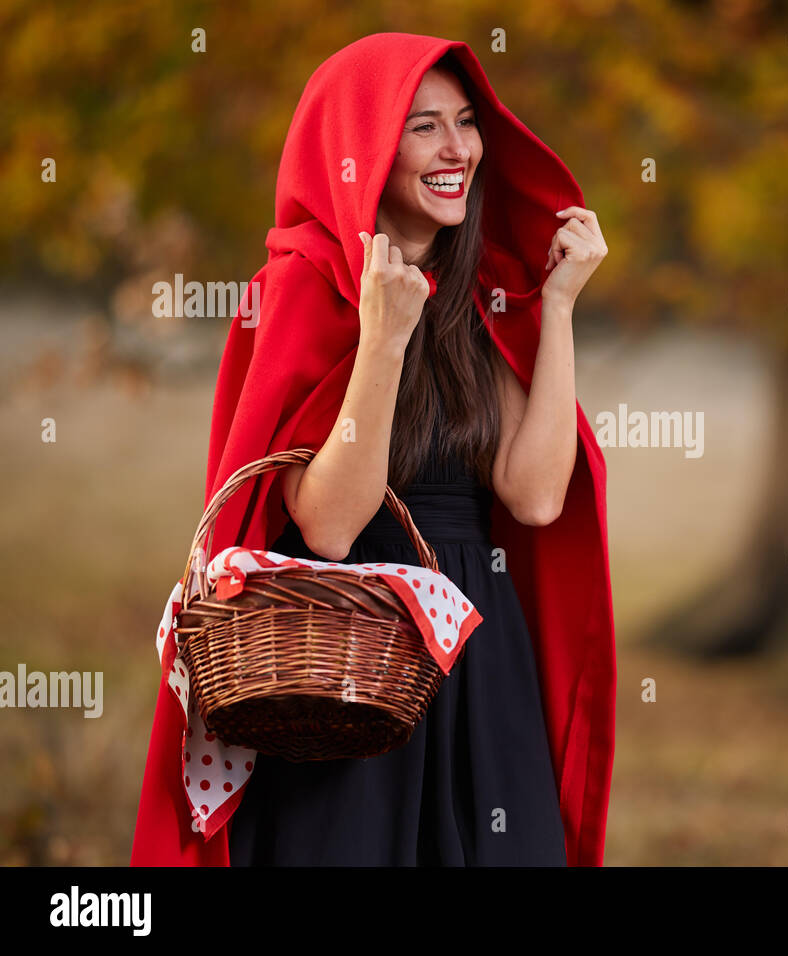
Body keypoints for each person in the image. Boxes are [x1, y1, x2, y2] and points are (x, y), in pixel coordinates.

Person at [130, 33, 617, 867]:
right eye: (423, 126)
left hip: (475, 650)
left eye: (466, 123)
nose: (457, 148)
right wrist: (384, 340)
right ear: (361, 149)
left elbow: (535, 498)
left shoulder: (484, 291)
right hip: (344, 662)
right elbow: (327, 525)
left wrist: (559, 307)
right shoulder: (299, 288)